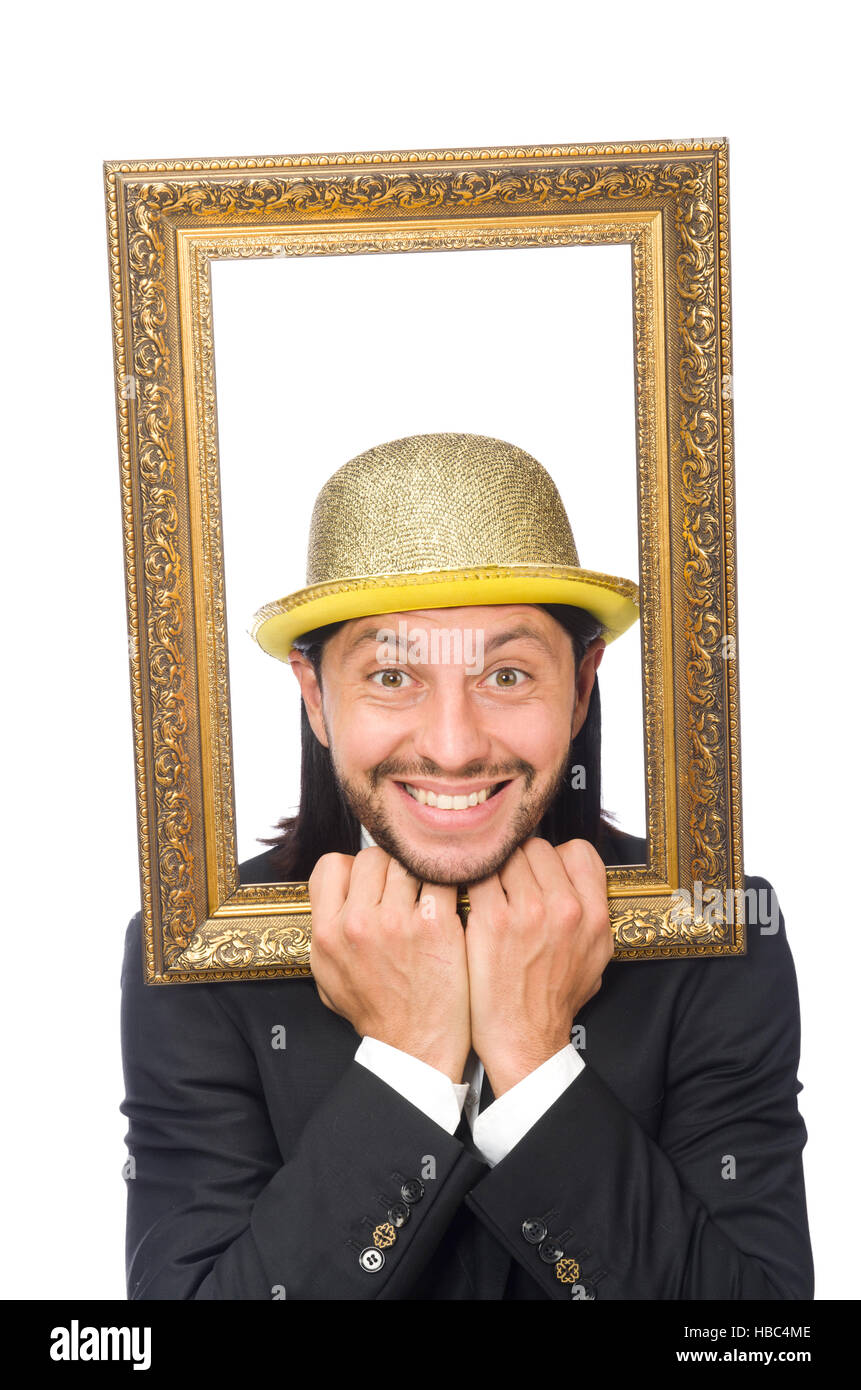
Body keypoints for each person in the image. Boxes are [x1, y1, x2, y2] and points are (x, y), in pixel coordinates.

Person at [120, 433, 813, 1300]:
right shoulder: (203, 954)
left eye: (509, 674)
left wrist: (533, 1062)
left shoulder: (715, 932)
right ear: (314, 696)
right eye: (392, 676)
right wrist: (409, 1063)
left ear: (582, 683)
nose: (452, 748)